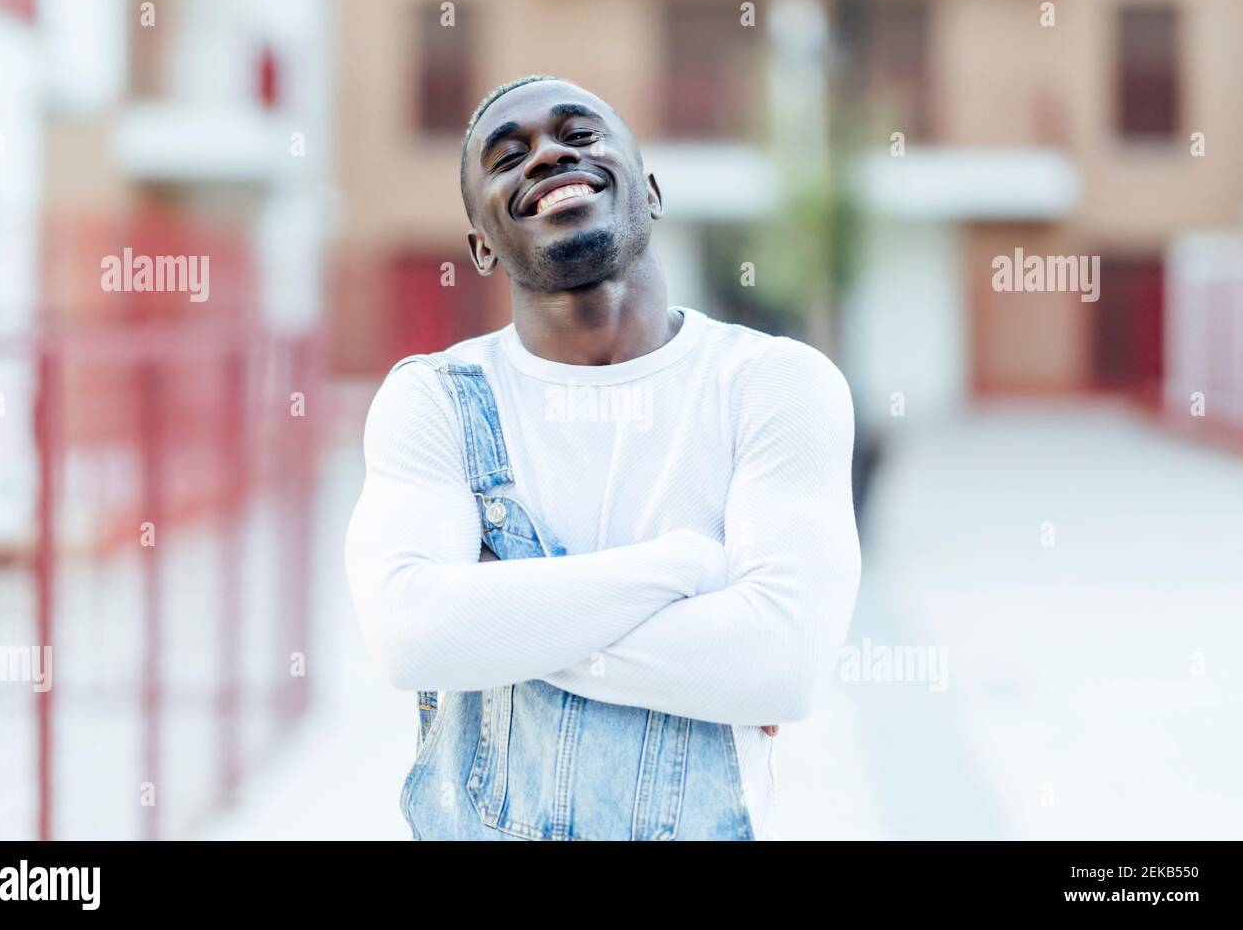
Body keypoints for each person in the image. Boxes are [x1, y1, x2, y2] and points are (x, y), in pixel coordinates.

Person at [344, 75, 861, 840]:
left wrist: (501, 621)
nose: (547, 155)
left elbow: (783, 666)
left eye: (578, 136)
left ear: (649, 191)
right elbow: (412, 638)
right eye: (507, 155)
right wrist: (687, 567)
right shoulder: (434, 402)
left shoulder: (774, 384)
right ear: (480, 246)